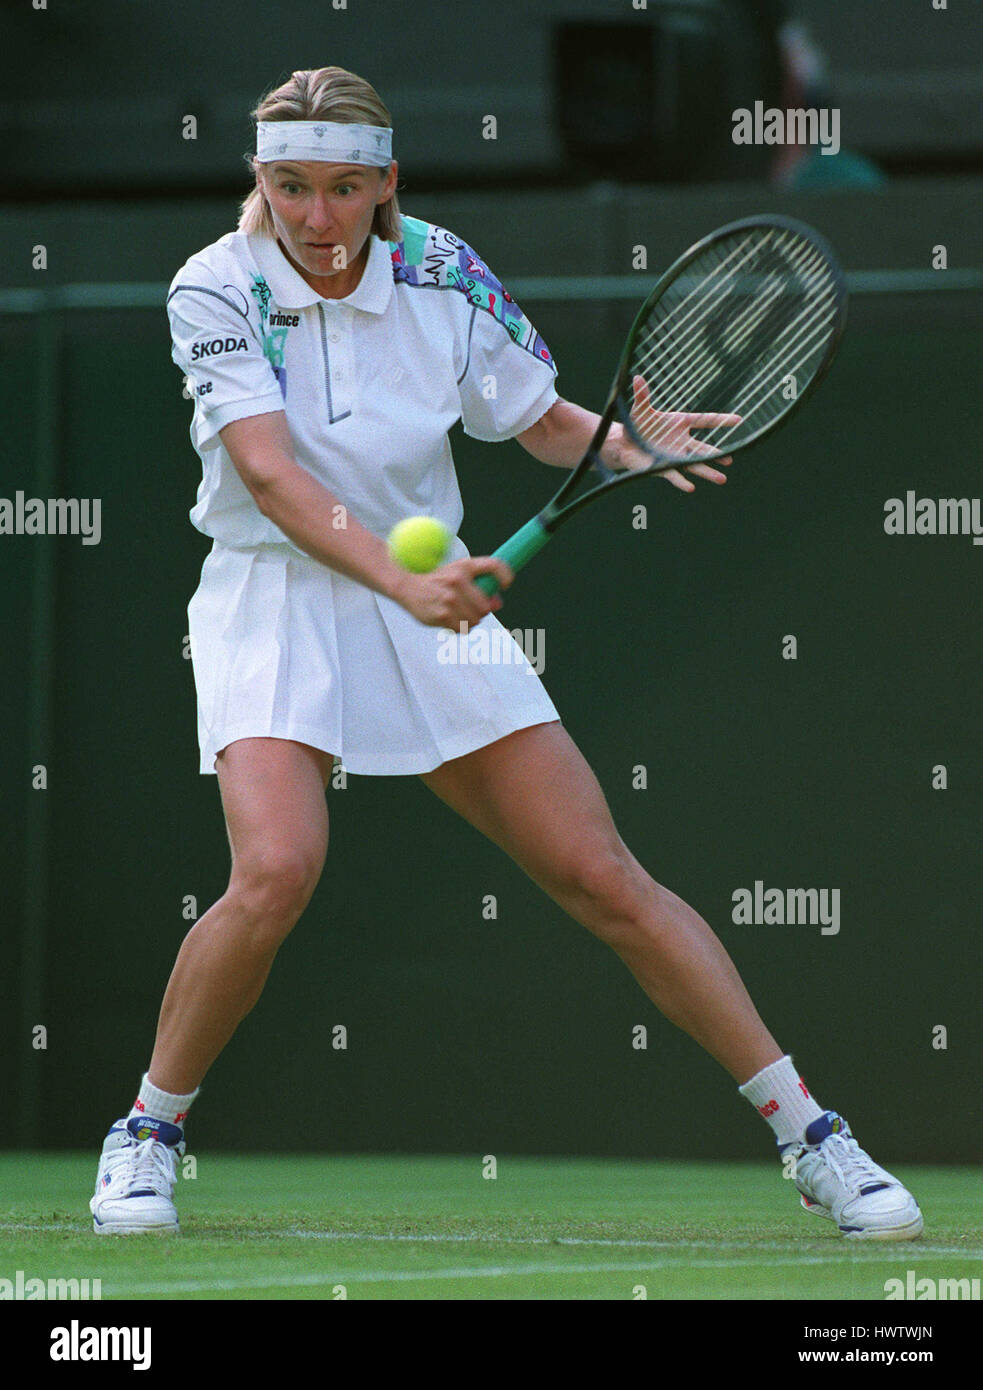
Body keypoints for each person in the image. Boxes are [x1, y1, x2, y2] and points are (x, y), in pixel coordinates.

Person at [90, 66, 920, 1242]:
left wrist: (618, 441)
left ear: (386, 184)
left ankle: (813, 1135)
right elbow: (271, 477)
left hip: (424, 606)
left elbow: (535, 420)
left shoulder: (442, 268)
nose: (315, 218)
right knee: (275, 868)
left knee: (600, 876)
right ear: (259, 184)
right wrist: (405, 579)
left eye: (339, 188)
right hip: (275, 595)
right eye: (288, 188)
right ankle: (148, 1134)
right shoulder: (214, 286)